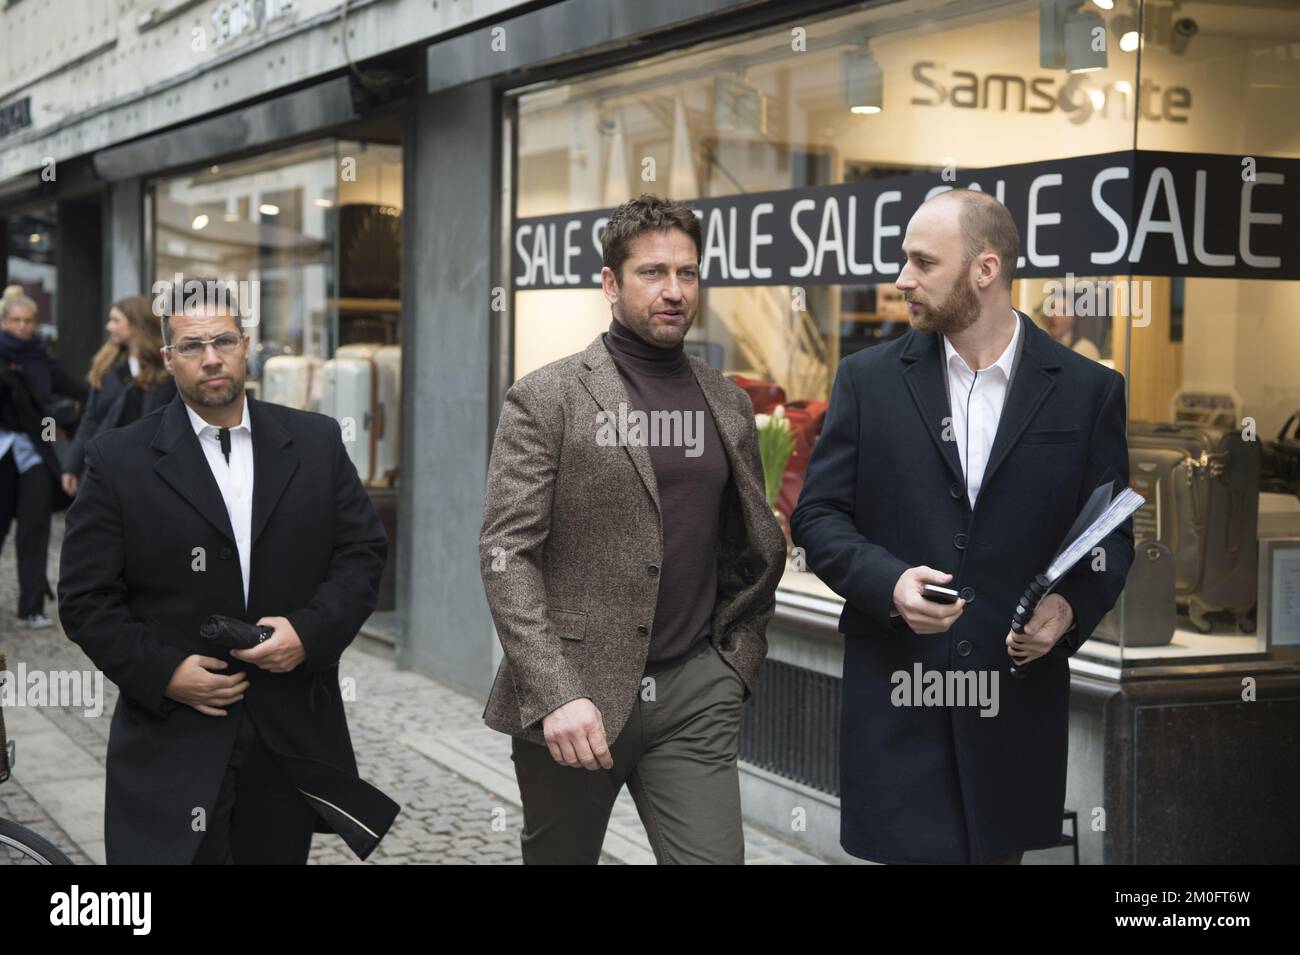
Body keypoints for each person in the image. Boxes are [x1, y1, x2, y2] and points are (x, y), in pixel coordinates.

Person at [791, 190, 1134, 865]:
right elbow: (818, 515)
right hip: (897, 705)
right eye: (903, 260)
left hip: (1013, 712)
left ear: (985, 269)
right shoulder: (868, 379)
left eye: (922, 262)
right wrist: (889, 584)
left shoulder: (1089, 389)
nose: (901, 279)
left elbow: (1111, 532)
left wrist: (1069, 607)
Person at [479, 195, 786, 864]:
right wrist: (555, 691)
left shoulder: (727, 400)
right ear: (611, 284)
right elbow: (507, 553)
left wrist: (734, 663)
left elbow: (746, 547)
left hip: (694, 694)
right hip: (576, 700)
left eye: (688, 272)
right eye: (652, 273)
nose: (674, 291)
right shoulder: (547, 396)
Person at [57, 277, 398, 864]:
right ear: (167, 358)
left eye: (223, 340)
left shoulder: (315, 442)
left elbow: (360, 555)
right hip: (172, 735)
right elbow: (86, 598)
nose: (210, 357)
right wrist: (164, 673)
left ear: (246, 345)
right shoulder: (118, 460)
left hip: (285, 732)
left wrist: (307, 633)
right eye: (191, 346)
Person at [0, 286, 87, 628]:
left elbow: (74, 389)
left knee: (35, 527)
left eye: (28, 321)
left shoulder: (41, 355)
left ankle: (32, 604)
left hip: (35, 451)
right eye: (14, 320)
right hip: (3, 450)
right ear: (3, 320)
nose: (21, 327)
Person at [61, 295, 176, 496]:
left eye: (115, 320)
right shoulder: (106, 365)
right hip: (103, 468)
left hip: (148, 474)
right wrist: (72, 464)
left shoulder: (165, 369)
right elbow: (91, 419)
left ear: (136, 324)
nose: (108, 327)